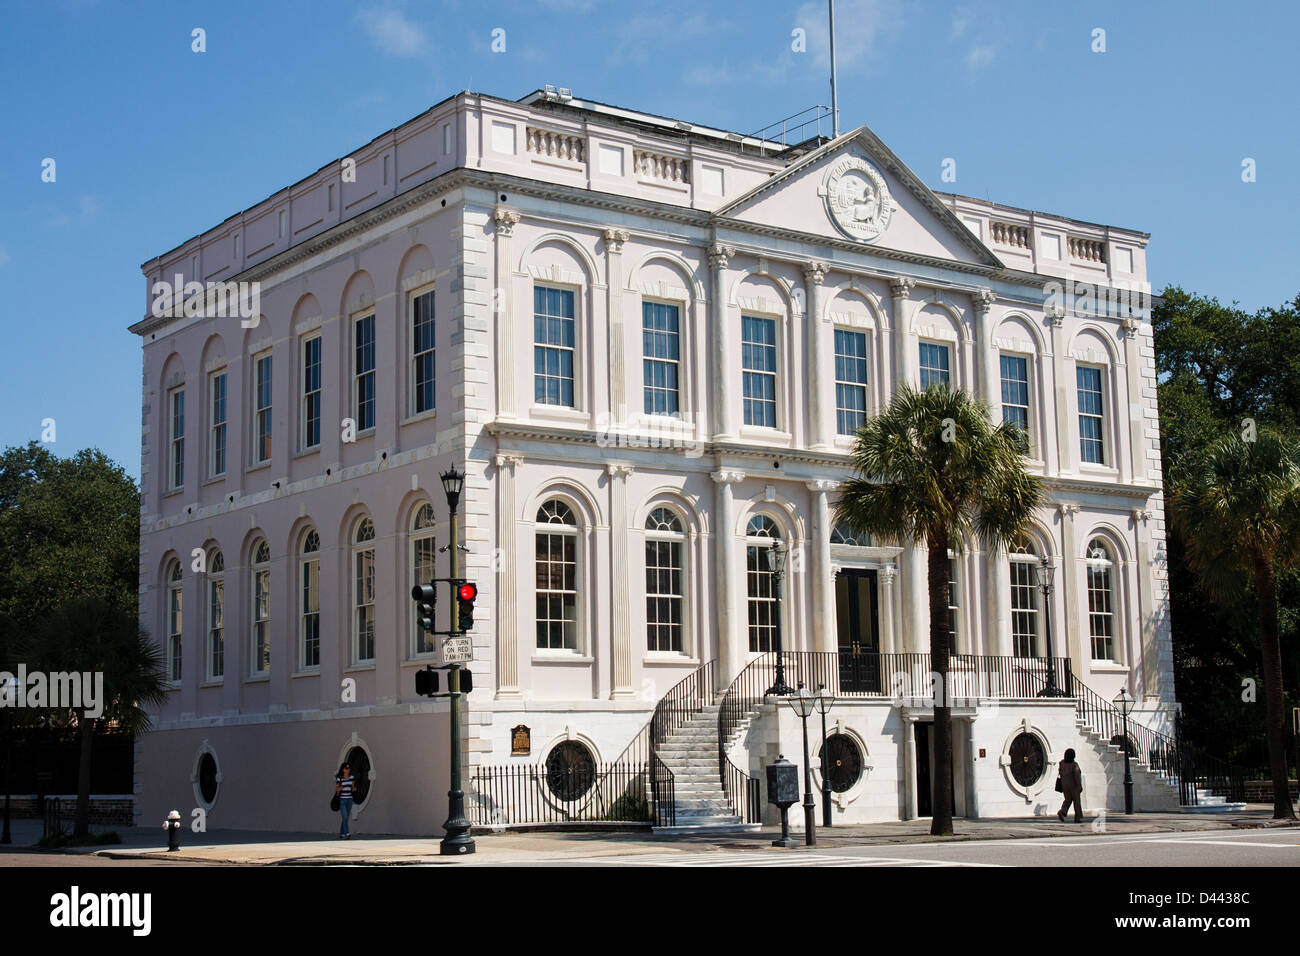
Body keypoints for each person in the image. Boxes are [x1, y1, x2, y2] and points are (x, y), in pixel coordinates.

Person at [1056, 748, 1083, 822]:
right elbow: (1077, 775)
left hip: (1064, 784)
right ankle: (1077, 817)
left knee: (1068, 800)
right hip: (1074, 785)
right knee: (1076, 801)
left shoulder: (1062, 763)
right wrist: (1079, 785)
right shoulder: (1074, 765)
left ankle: (1062, 811)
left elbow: (1060, 773)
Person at [335, 762, 357, 838]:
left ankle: (342, 834)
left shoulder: (352, 777)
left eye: (349, 768)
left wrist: (354, 789)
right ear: (343, 769)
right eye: (346, 768)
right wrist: (342, 788)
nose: (348, 770)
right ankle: (347, 833)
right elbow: (337, 789)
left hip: (349, 799)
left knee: (346, 817)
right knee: (344, 817)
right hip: (342, 800)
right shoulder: (339, 778)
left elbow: (353, 788)